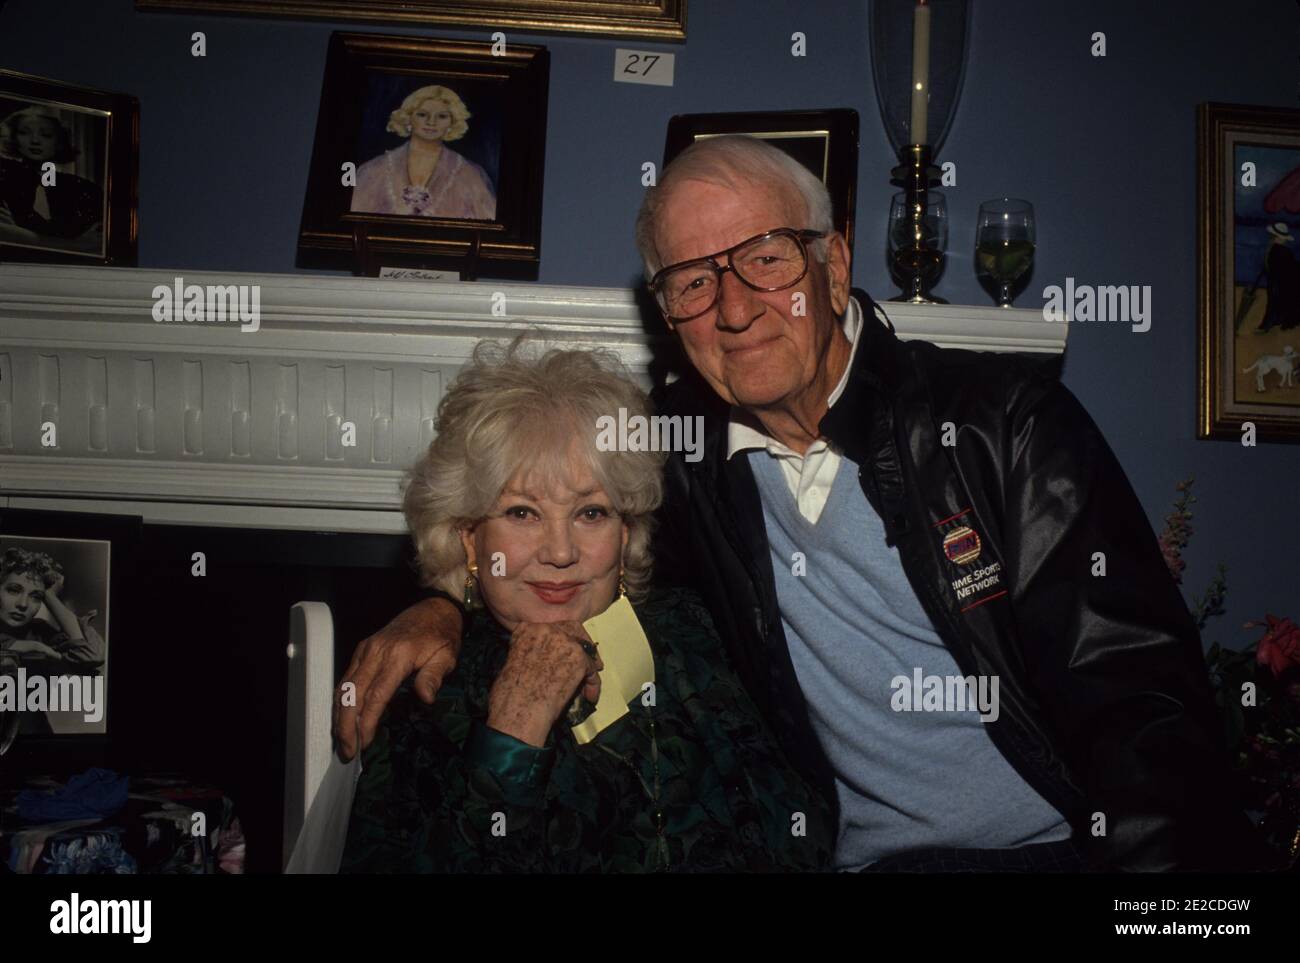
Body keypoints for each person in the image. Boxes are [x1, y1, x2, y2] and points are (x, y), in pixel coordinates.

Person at [338, 135, 1281, 873]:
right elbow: (560, 549)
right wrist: (444, 600)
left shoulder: (1004, 425)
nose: (735, 309)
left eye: (765, 259)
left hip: (1074, 847)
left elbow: (1142, 705)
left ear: (833, 261)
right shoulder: (684, 455)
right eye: (693, 282)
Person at [340, 341, 833, 872]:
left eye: (591, 512)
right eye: (522, 512)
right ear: (468, 538)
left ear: (626, 535)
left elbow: (801, 833)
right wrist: (513, 730)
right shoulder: (427, 687)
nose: (560, 552)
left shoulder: (698, 633)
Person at [349, 85, 496, 221]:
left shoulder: (469, 174)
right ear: (408, 118)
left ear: (452, 122)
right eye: (422, 114)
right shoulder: (374, 170)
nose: (431, 122)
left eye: (442, 116)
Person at [0, 547, 105, 735]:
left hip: (36, 740)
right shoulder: (38, 641)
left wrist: (50, 596)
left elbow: (91, 655)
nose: (23, 604)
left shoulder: (39, 631)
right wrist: (35, 647)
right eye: (13, 590)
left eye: (35, 597)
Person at [0, 105, 104, 252]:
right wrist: (74, 244)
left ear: (59, 142)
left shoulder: (83, 189)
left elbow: (96, 240)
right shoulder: (4, 177)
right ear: (14, 139)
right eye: (24, 133)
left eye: (46, 134)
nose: (35, 141)